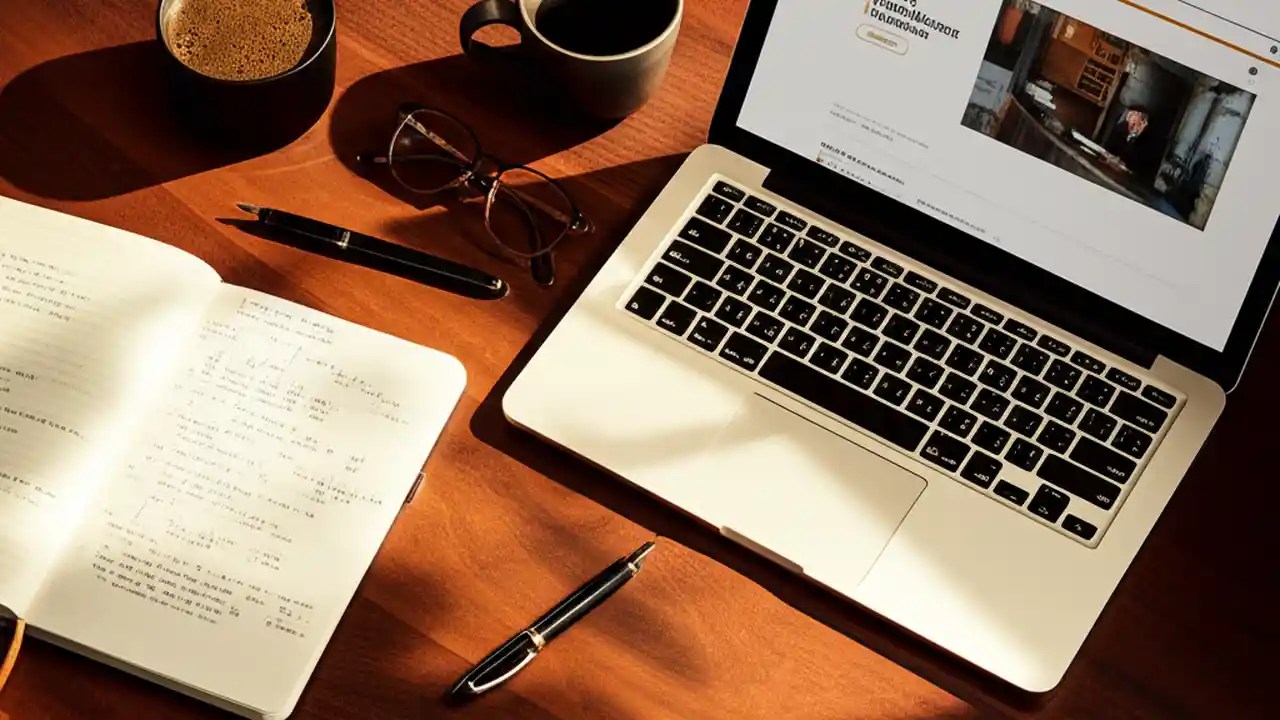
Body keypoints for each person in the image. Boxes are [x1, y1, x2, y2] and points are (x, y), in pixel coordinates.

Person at [1104, 105, 1162, 179]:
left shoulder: (1147, 140)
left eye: (1136, 124)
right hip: (1110, 168)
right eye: (1132, 120)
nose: (1133, 126)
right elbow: (1108, 148)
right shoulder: (1120, 128)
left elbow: (1135, 164)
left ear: (1143, 124)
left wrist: (1134, 138)